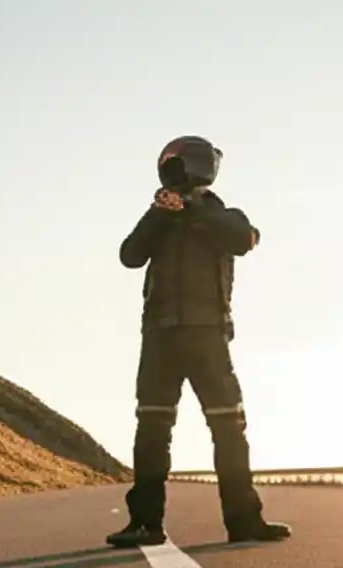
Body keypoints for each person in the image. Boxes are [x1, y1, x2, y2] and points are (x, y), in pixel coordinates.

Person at [106, 135, 292, 547]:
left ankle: (244, 521)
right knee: (152, 429)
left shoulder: (222, 214)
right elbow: (130, 254)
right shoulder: (157, 216)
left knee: (228, 427)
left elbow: (244, 239)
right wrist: (162, 213)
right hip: (159, 338)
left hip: (208, 335)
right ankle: (145, 523)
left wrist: (190, 208)